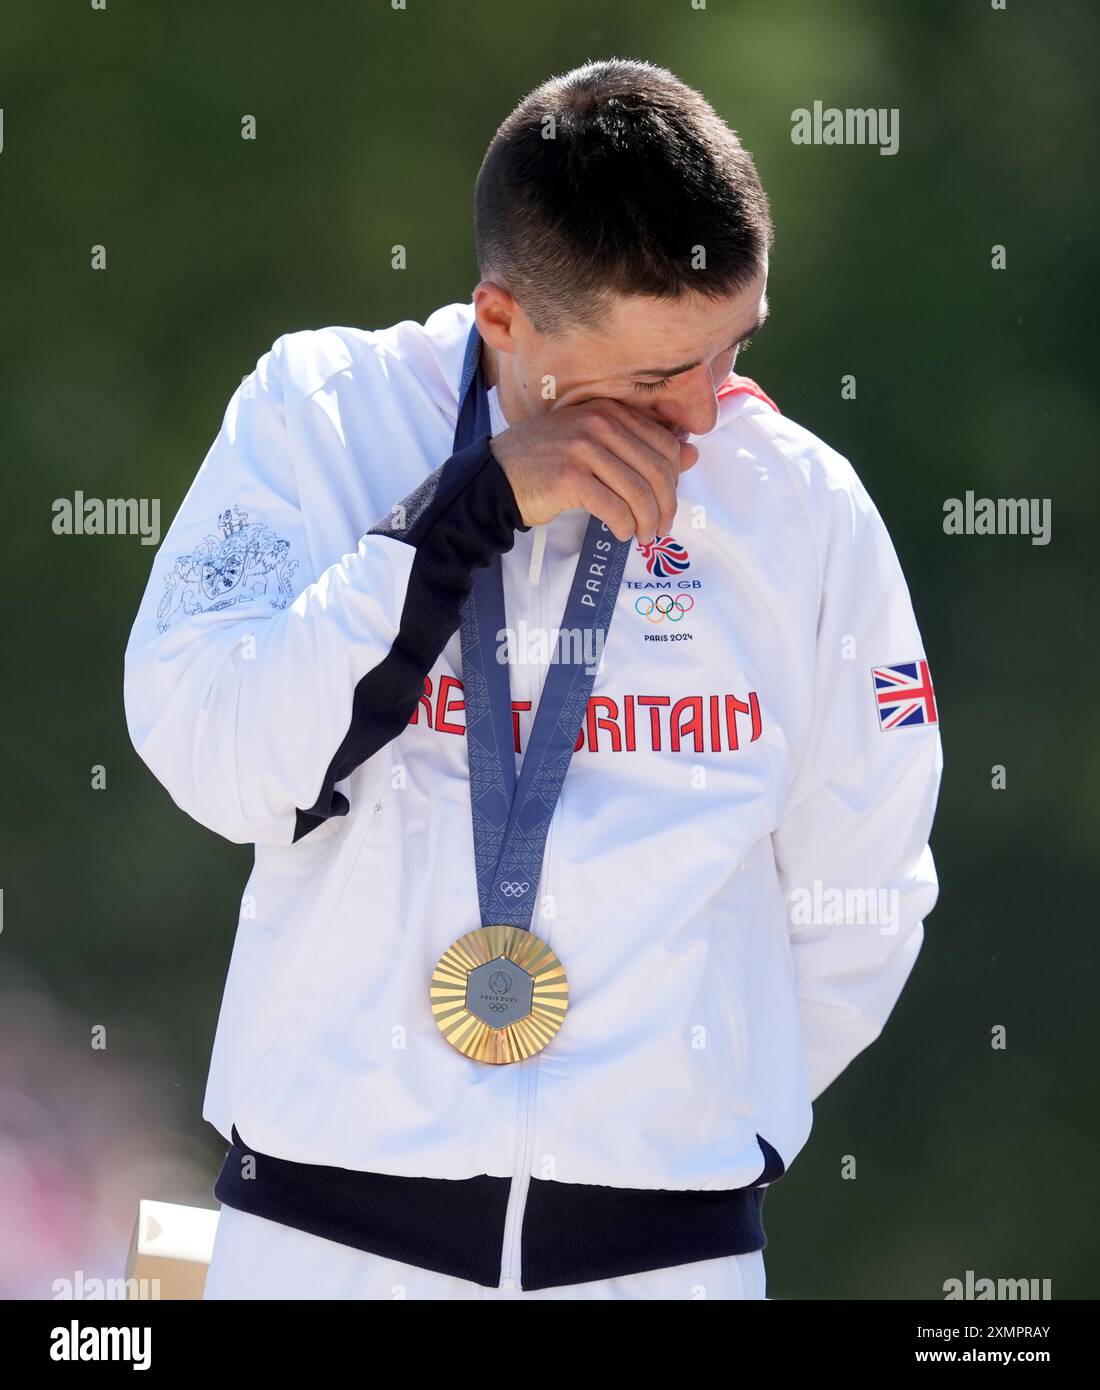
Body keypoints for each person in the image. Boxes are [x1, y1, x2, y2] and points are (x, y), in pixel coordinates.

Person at [123, 57, 942, 1301]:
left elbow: (861, 896)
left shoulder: (801, 505)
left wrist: (675, 1114)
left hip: (665, 1260)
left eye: (727, 349)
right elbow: (216, 748)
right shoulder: (320, 413)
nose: (706, 414)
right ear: (502, 322)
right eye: (654, 377)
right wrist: (465, 511)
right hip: (320, 1242)